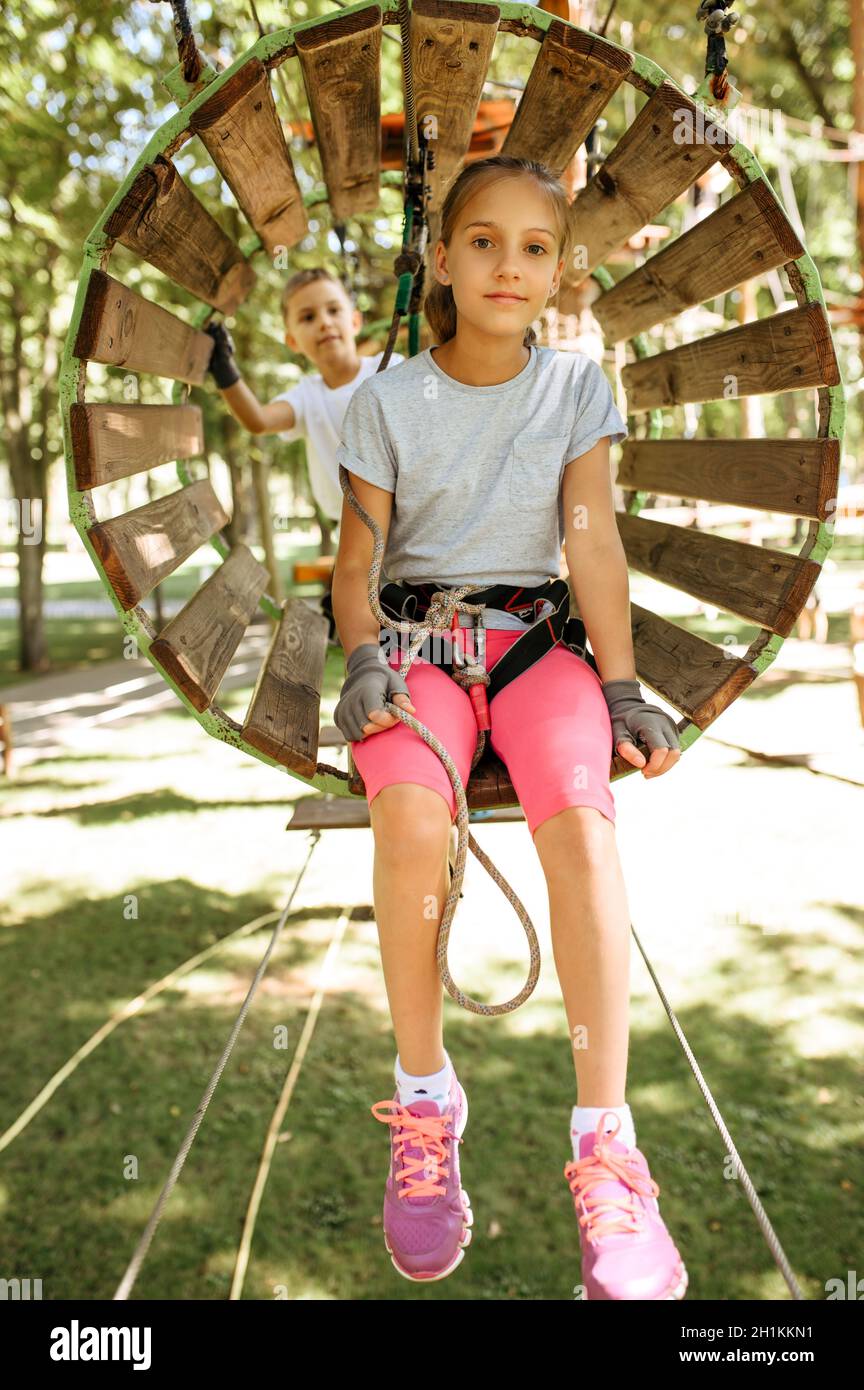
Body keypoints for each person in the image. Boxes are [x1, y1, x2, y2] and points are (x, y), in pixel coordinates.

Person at [331, 153, 684, 1298]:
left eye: (537, 246)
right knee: (409, 813)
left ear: (559, 270)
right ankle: (427, 1105)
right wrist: (364, 656)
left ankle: (607, 1144)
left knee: (582, 825)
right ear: (440, 258)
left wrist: (621, 685)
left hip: (537, 650)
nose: (509, 265)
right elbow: (358, 563)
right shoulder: (383, 401)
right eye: (483, 240)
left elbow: (589, 540)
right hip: (421, 650)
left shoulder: (577, 390)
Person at [205, 268, 404, 639]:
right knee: (367, 633)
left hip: (406, 522)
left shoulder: (390, 370)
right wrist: (225, 371)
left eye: (333, 311)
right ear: (292, 340)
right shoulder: (306, 396)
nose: (324, 323)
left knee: (399, 616)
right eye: (308, 317)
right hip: (352, 533)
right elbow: (259, 420)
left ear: (355, 320)